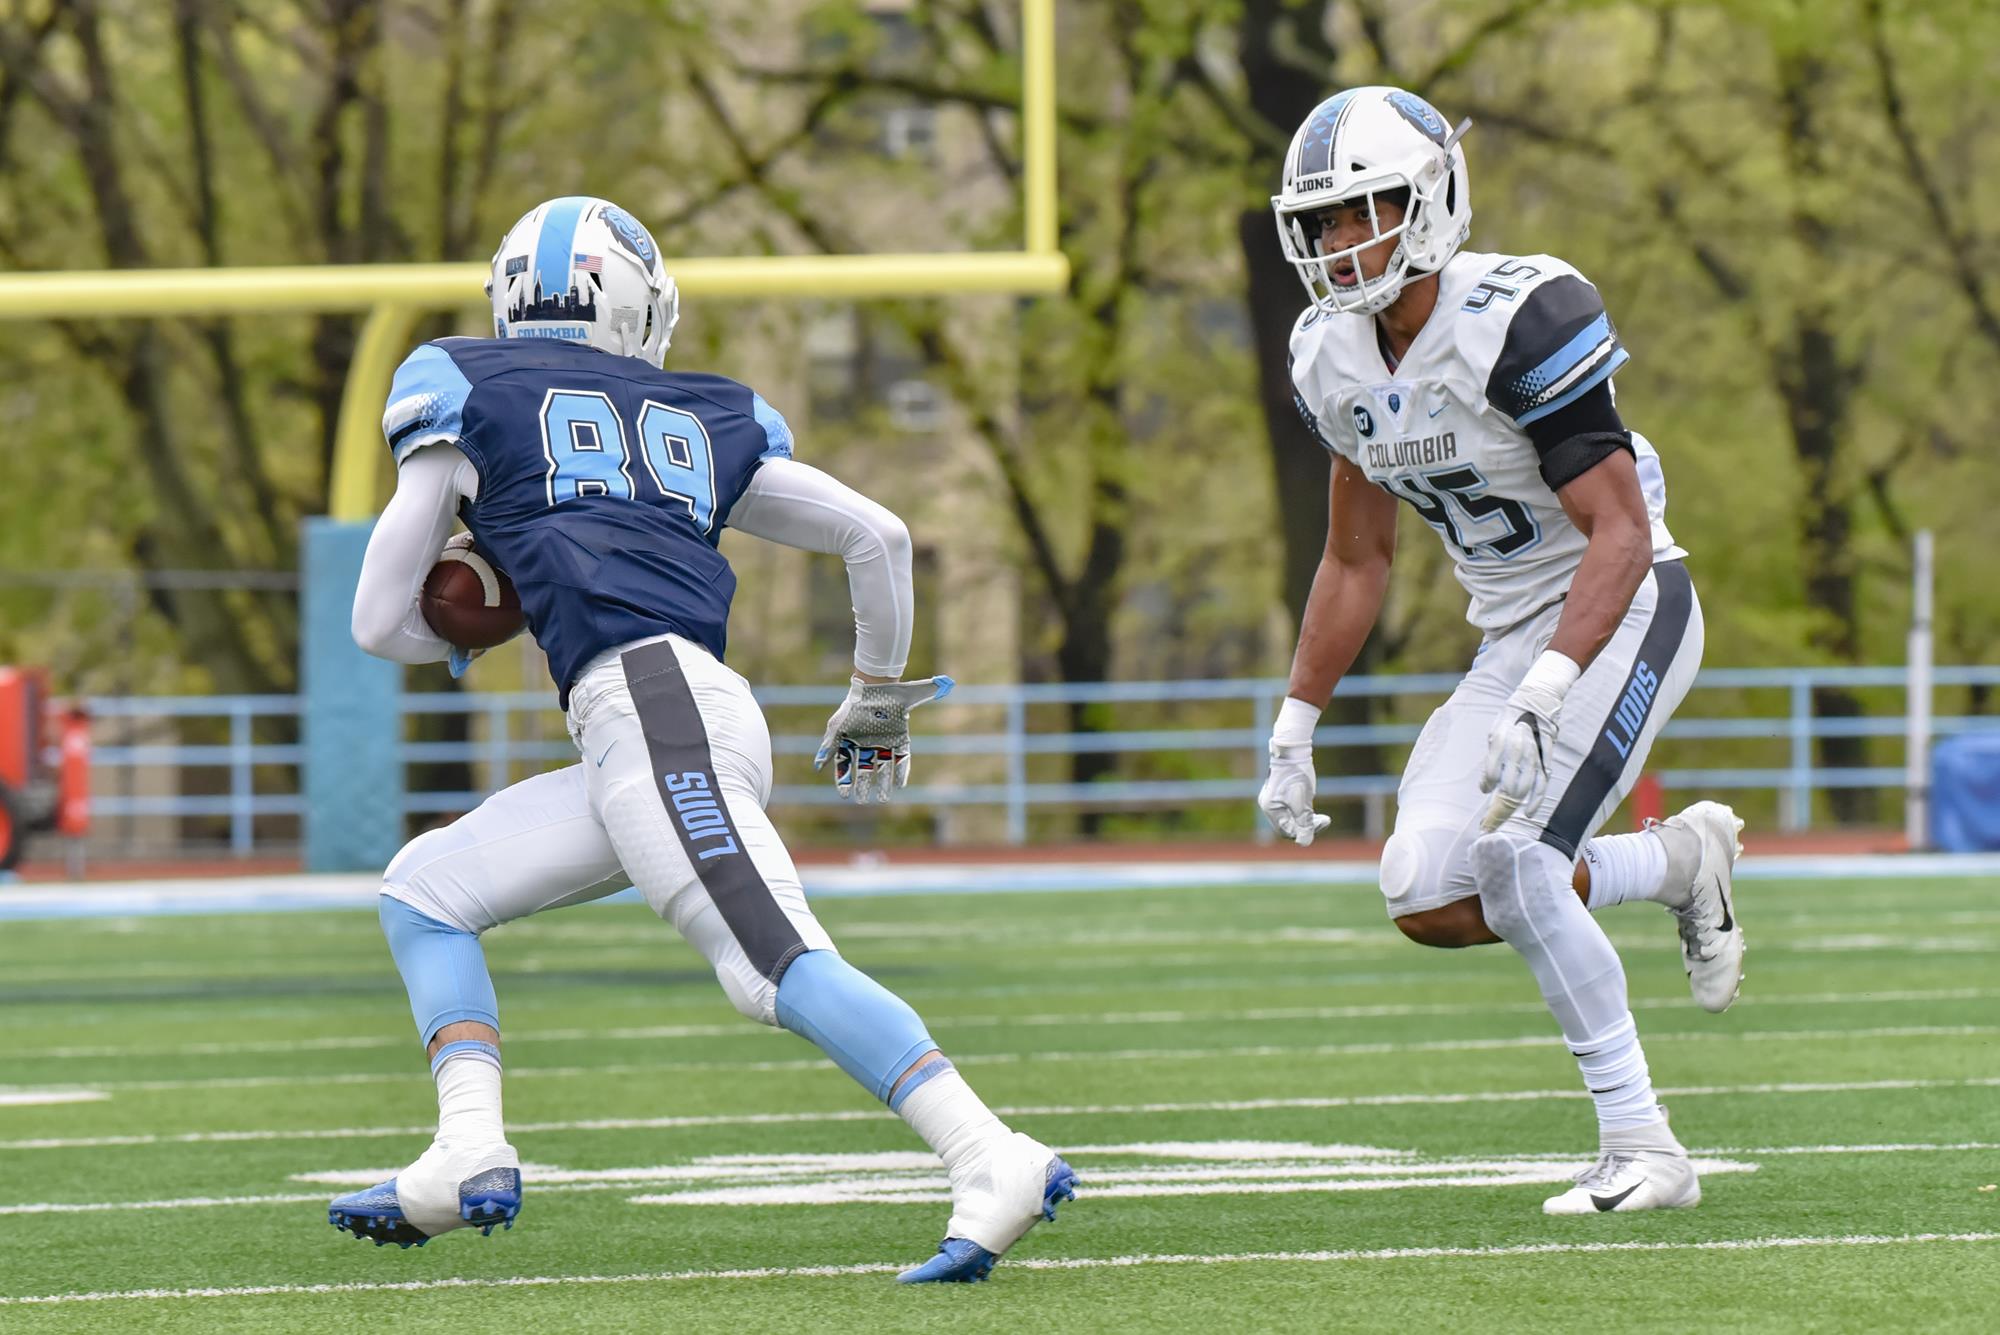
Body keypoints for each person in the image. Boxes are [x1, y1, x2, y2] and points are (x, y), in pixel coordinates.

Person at [331, 196, 1074, 1282]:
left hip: (652, 708)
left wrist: (472, 613)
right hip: (655, 715)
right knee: (424, 892)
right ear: (636, 304)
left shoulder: (463, 383)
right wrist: (872, 700)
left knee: (769, 964)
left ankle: (990, 1151)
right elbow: (878, 535)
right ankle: (465, 1148)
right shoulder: (705, 411)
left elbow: (374, 624)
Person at [1257, 89, 1745, 1215]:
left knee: (1521, 862)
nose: (1339, 242)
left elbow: (1618, 534)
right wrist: (1296, 721)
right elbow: (1354, 559)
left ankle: (1644, 1148)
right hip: (1512, 634)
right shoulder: (1326, 355)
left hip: (1623, 605)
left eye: (1363, 211)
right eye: (1322, 221)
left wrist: (1547, 688)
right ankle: (1674, 865)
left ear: (1429, 202)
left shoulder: (1519, 315)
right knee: (1426, 892)